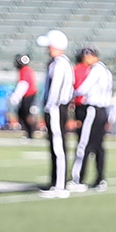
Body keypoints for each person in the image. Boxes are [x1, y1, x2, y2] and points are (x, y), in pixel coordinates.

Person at [34, 32, 74, 197]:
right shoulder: (61, 63)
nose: (47, 49)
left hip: (56, 107)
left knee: (58, 145)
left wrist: (49, 106)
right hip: (57, 107)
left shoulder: (59, 63)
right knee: (54, 144)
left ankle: (59, 185)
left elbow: (56, 88)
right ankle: (55, 182)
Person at [68, 46, 112, 191]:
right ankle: (100, 179)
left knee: (84, 144)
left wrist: (72, 93)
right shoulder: (106, 71)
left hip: (93, 109)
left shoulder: (96, 70)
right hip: (103, 110)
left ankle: (78, 178)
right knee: (98, 147)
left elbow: (83, 88)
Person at [12, 53, 36, 138]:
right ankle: (28, 131)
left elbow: (24, 84)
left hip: (28, 95)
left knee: (26, 114)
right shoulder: (26, 70)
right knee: (22, 113)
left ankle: (30, 131)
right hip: (28, 94)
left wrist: (16, 97)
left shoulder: (25, 70)